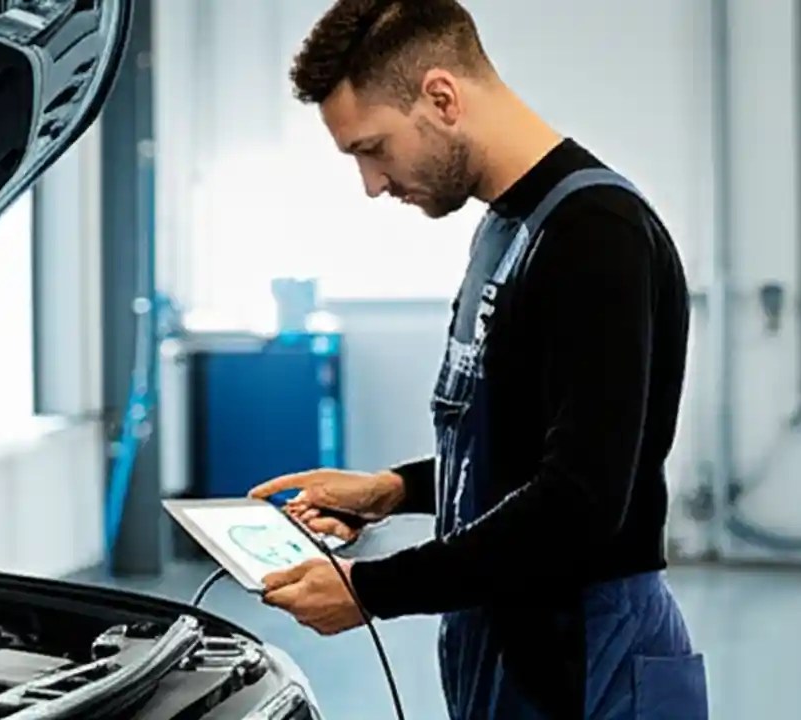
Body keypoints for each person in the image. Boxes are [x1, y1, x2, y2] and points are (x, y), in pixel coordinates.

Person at [248, 1, 706, 717]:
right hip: (509, 636)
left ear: (441, 97)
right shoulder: (505, 228)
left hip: (587, 654)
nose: (372, 184)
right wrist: (392, 490)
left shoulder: (597, 235)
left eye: (372, 148)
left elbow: (580, 503)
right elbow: (519, 448)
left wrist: (373, 590)